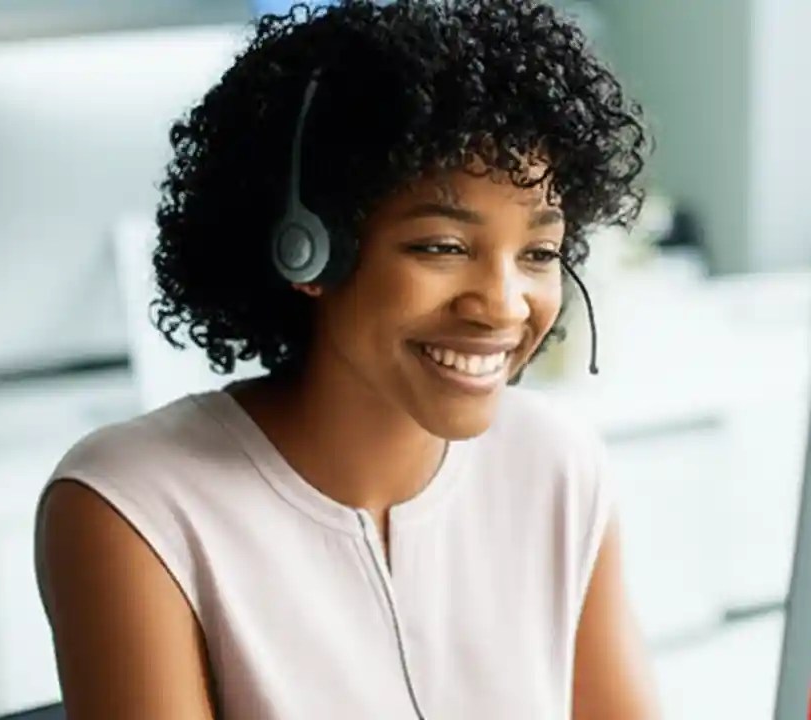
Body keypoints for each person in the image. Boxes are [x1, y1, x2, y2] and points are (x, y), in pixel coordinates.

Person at [33, 1, 660, 718]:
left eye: (539, 254)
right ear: (308, 248)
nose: (505, 303)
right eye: (443, 247)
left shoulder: (557, 465)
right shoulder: (134, 505)